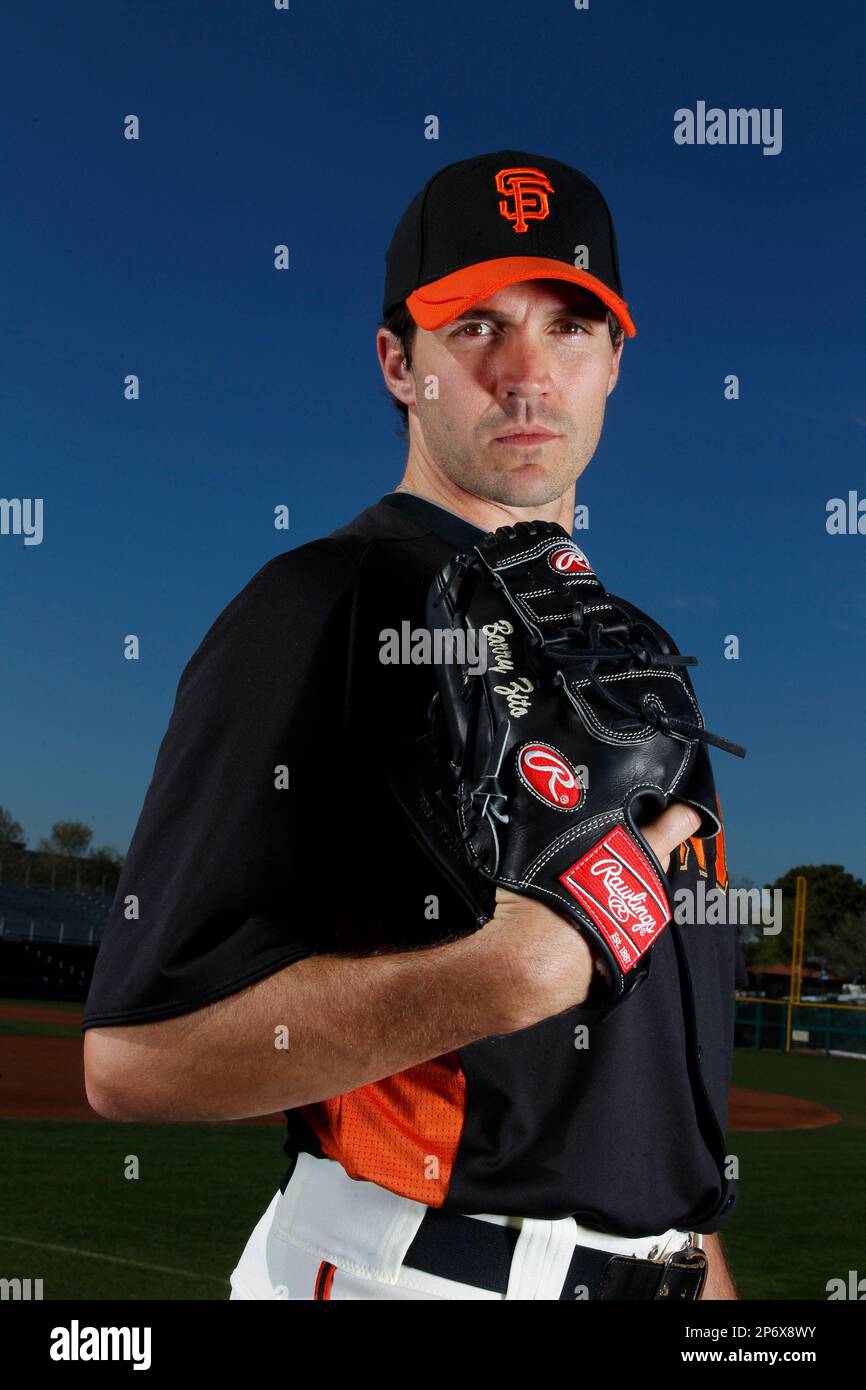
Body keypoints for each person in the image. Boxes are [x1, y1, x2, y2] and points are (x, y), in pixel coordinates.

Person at [82, 149, 741, 1301]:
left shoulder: (632, 655)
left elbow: (645, 1104)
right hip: (420, 1271)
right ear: (400, 362)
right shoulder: (326, 603)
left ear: (614, 363)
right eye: (476, 326)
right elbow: (131, 1062)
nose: (527, 374)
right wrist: (497, 978)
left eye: (570, 326)